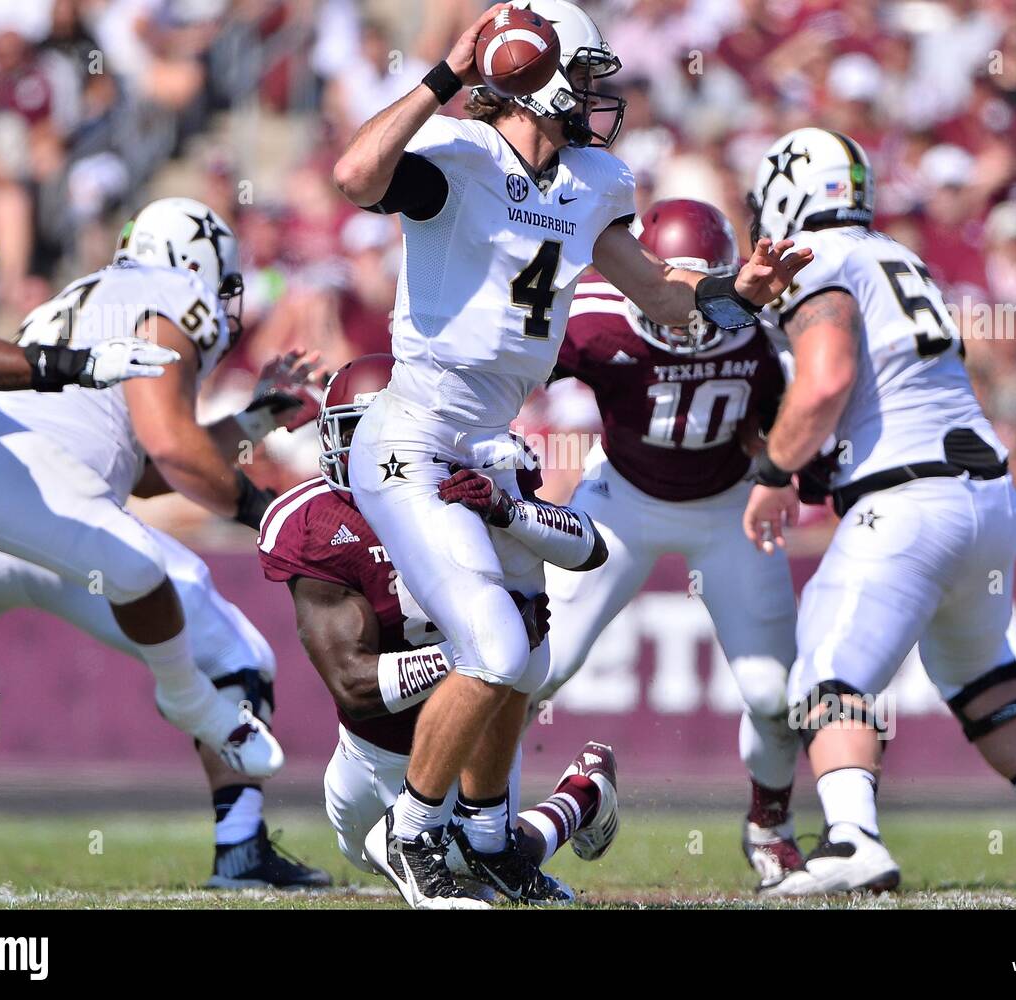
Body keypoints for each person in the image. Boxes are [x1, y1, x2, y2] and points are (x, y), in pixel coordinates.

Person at [331, 0, 810, 907]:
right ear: (536, 74)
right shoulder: (463, 161)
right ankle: (413, 830)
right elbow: (355, 174)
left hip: (490, 446)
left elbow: (661, 304)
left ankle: (487, 837)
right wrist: (446, 74)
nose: (597, 96)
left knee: (529, 655)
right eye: (583, 76)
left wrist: (735, 294)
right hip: (416, 436)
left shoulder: (594, 182)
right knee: (496, 651)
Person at [741, 127, 1016, 894]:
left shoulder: (822, 260)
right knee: (979, 675)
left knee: (829, 667)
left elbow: (825, 379)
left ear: (786, 192)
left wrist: (775, 467)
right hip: (987, 498)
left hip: (907, 499)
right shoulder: (899, 257)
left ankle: (852, 839)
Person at [0, 196, 292, 787]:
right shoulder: (177, 294)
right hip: (52, 515)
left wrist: (257, 419)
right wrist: (275, 513)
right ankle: (241, 849)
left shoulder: (72, 299)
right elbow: (170, 450)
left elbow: (146, 466)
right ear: (193, 263)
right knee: (236, 656)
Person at [258, 354, 617, 907]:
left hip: (468, 753)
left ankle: (578, 797)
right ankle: (581, 797)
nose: (370, 454)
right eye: (356, 433)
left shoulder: (473, 485)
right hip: (372, 765)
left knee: (483, 860)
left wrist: (509, 510)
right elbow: (355, 685)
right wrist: (481, 650)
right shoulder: (319, 521)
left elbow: (590, 547)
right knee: (461, 859)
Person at [533, 198, 803, 889]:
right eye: (676, 288)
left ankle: (770, 829)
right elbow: (513, 371)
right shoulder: (590, 314)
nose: (692, 312)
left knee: (774, 694)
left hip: (727, 506)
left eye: (707, 291)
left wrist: (776, 459)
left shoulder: (764, 325)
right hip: (624, 496)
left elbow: (787, 419)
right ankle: (480, 817)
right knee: (536, 667)